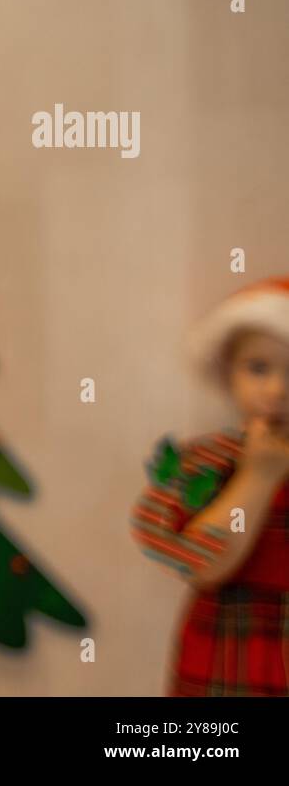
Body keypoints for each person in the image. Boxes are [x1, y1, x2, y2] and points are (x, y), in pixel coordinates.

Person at [130, 275, 289, 695]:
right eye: (258, 368)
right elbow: (200, 564)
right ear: (228, 374)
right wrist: (260, 476)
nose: (277, 389)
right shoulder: (208, 464)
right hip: (231, 648)